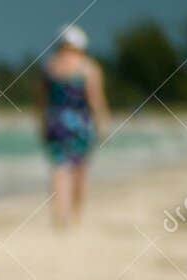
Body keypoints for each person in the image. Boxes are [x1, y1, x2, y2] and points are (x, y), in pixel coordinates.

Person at [38, 24, 111, 228]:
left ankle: (59, 214)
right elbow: (95, 100)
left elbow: (42, 101)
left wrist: (42, 124)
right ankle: (76, 214)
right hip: (81, 123)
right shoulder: (88, 67)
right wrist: (102, 123)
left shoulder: (50, 66)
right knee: (81, 170)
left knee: (59, 170)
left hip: (56, 121)